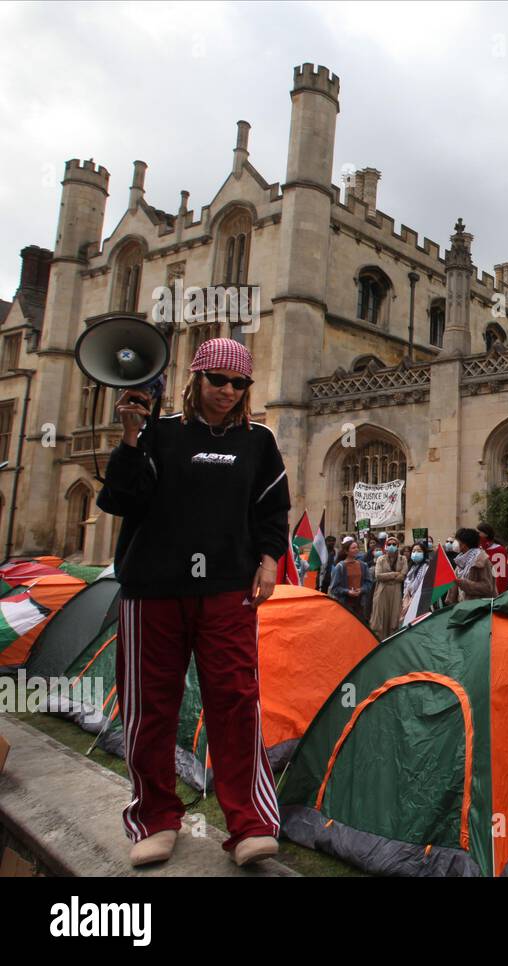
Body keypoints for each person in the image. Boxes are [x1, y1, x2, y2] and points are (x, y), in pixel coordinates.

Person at [95, 337, 289, 868]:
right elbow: (119, 500)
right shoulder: (159, 434)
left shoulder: (260, 441)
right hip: (153, 591)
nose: (227, 391)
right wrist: (131, 438)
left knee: (234, 700)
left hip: (227, 592)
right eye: (217, 380)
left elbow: (273, 510)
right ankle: (155, 817)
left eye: (238, 383)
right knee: (148, 707)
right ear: (196, 379)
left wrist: (270, 561)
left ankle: (248, 823)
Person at [369, 533, 408, 639]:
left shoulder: (403, 559)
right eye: (389, 543)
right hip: (382, 590)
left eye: (394, 544)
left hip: (396, 591)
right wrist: (394, 574)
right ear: (386, 545)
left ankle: (391, 639)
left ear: (397, 545)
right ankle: (379, 639)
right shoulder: (380, 559)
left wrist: (392, 576)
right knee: (381, 616)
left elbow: (402, 576)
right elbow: (378, 576)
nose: (392, 545)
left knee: (394, 616)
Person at [444, 527, 496, 603]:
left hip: (479, 609)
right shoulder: (461, 560)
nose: (454, 543)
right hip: (463, 608)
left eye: (457, 540)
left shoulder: (481, 561)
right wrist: (450, 600)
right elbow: (455, 583)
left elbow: (487, 587)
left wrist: (463, 583)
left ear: (464, 544)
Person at [330, 536, 371, 622]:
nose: (356, 550)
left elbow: (368, 583)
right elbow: (334, 589)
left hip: (360, 604)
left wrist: (361, 589)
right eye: (353, 548)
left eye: (357, 547)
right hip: (345, 604)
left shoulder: (363, 565)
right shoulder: (340, 567)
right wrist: (347, 591)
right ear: (346, 551)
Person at [477, 522, 508, 595]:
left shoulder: (499, 550)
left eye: (479, 532)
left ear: (486, 534)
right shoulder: (479, 549)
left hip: (492, 593)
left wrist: (496, 593)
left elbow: (501, 575)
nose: (477, 535)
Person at [400, 539, 429, 620]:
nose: (416, 553)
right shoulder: (411, 567)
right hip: (408, 600)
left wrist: (412, 601)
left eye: (419, 551)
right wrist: (406, 600)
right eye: (413, 551)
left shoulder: (427, 567)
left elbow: (424, 586)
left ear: (424, 553)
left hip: (420, 602)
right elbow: (407, 585)